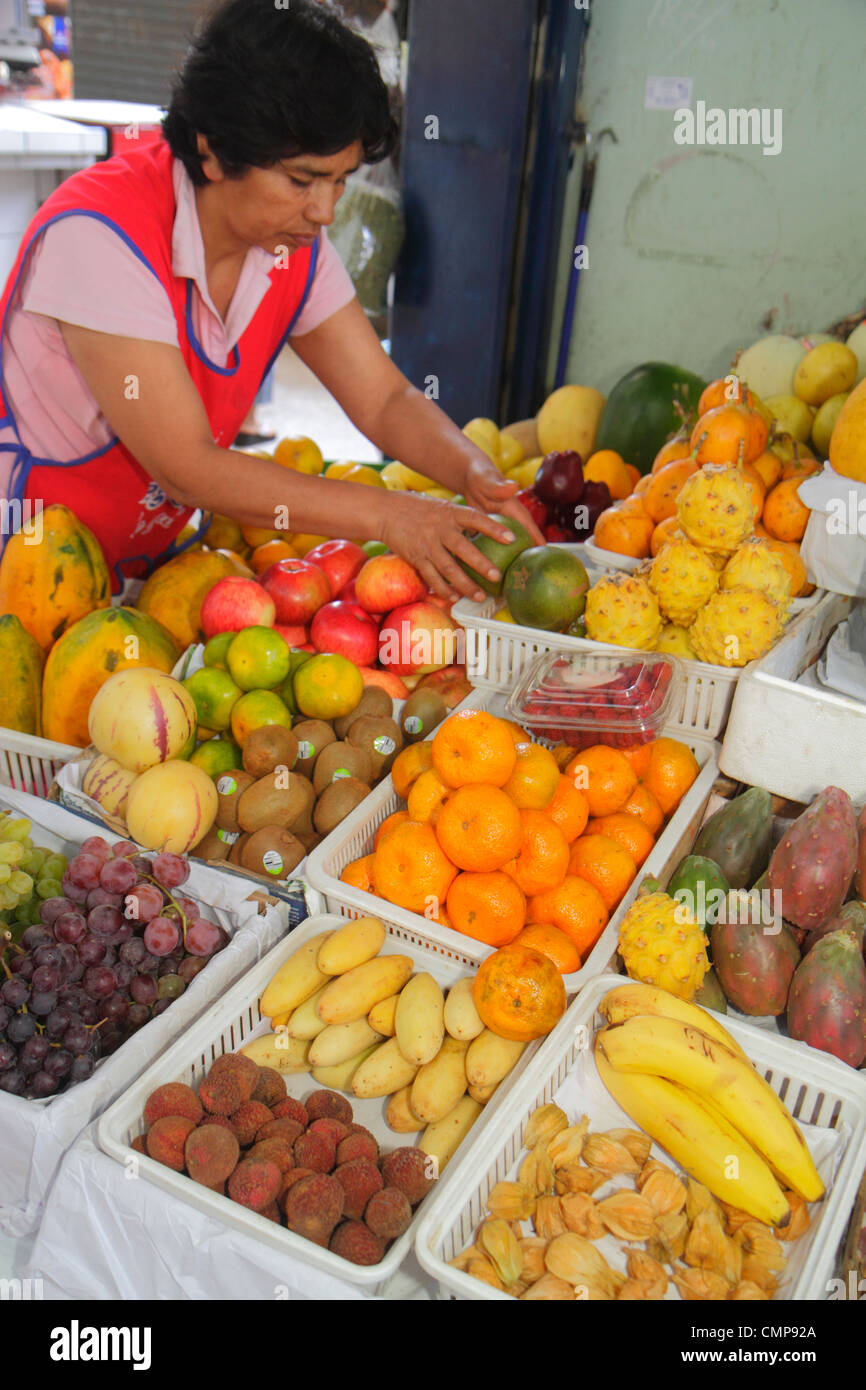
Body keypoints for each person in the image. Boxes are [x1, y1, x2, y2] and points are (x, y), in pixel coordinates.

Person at [0, 0, 539, 599]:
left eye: (341, 180)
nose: (325, 211)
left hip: (150, 575)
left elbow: (384, 398)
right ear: (212, 149)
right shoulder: (101, 234)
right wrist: (392, 515)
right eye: (302, 180)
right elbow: (187, 466)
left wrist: (473, 472)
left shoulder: (287, 241)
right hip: (27, 575)